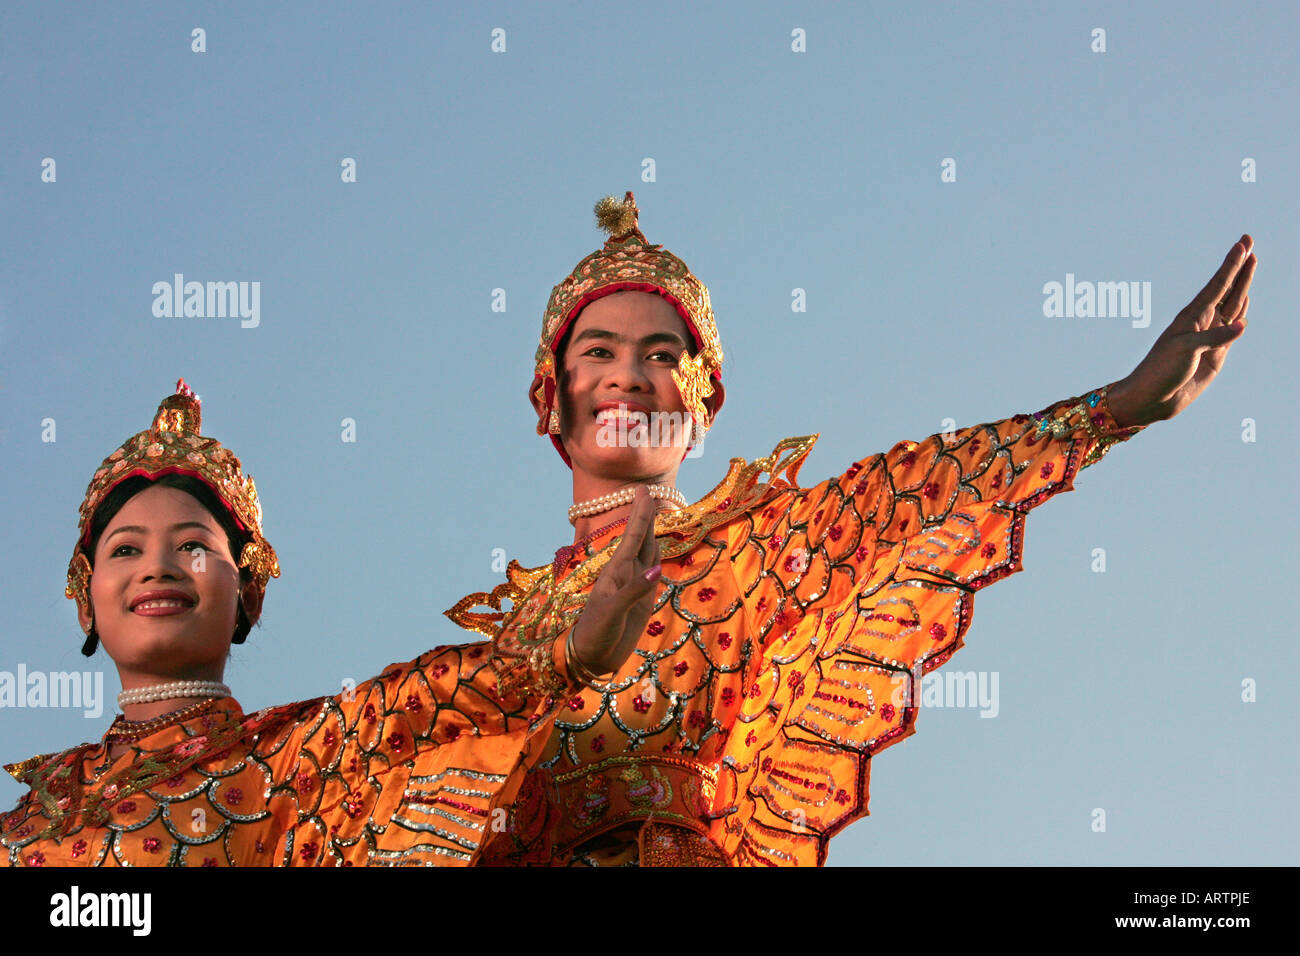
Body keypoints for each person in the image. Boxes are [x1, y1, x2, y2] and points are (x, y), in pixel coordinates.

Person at [446, 192, 1255, 866]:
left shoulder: (751, 556)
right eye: (598, 351)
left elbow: (921, 489)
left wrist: (1108, 412)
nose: (627, 374)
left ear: (704, 403)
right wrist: (562, 660)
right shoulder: (507, 635)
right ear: (550, 395)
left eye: (660, 354)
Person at [1, 380, 660, 866]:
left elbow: (419, 706)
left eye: (194, 546)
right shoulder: (41, 805)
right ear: (85, 599)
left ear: (250, 593)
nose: (159, 567)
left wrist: (564, 655)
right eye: (125, 549)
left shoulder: (289, 762)